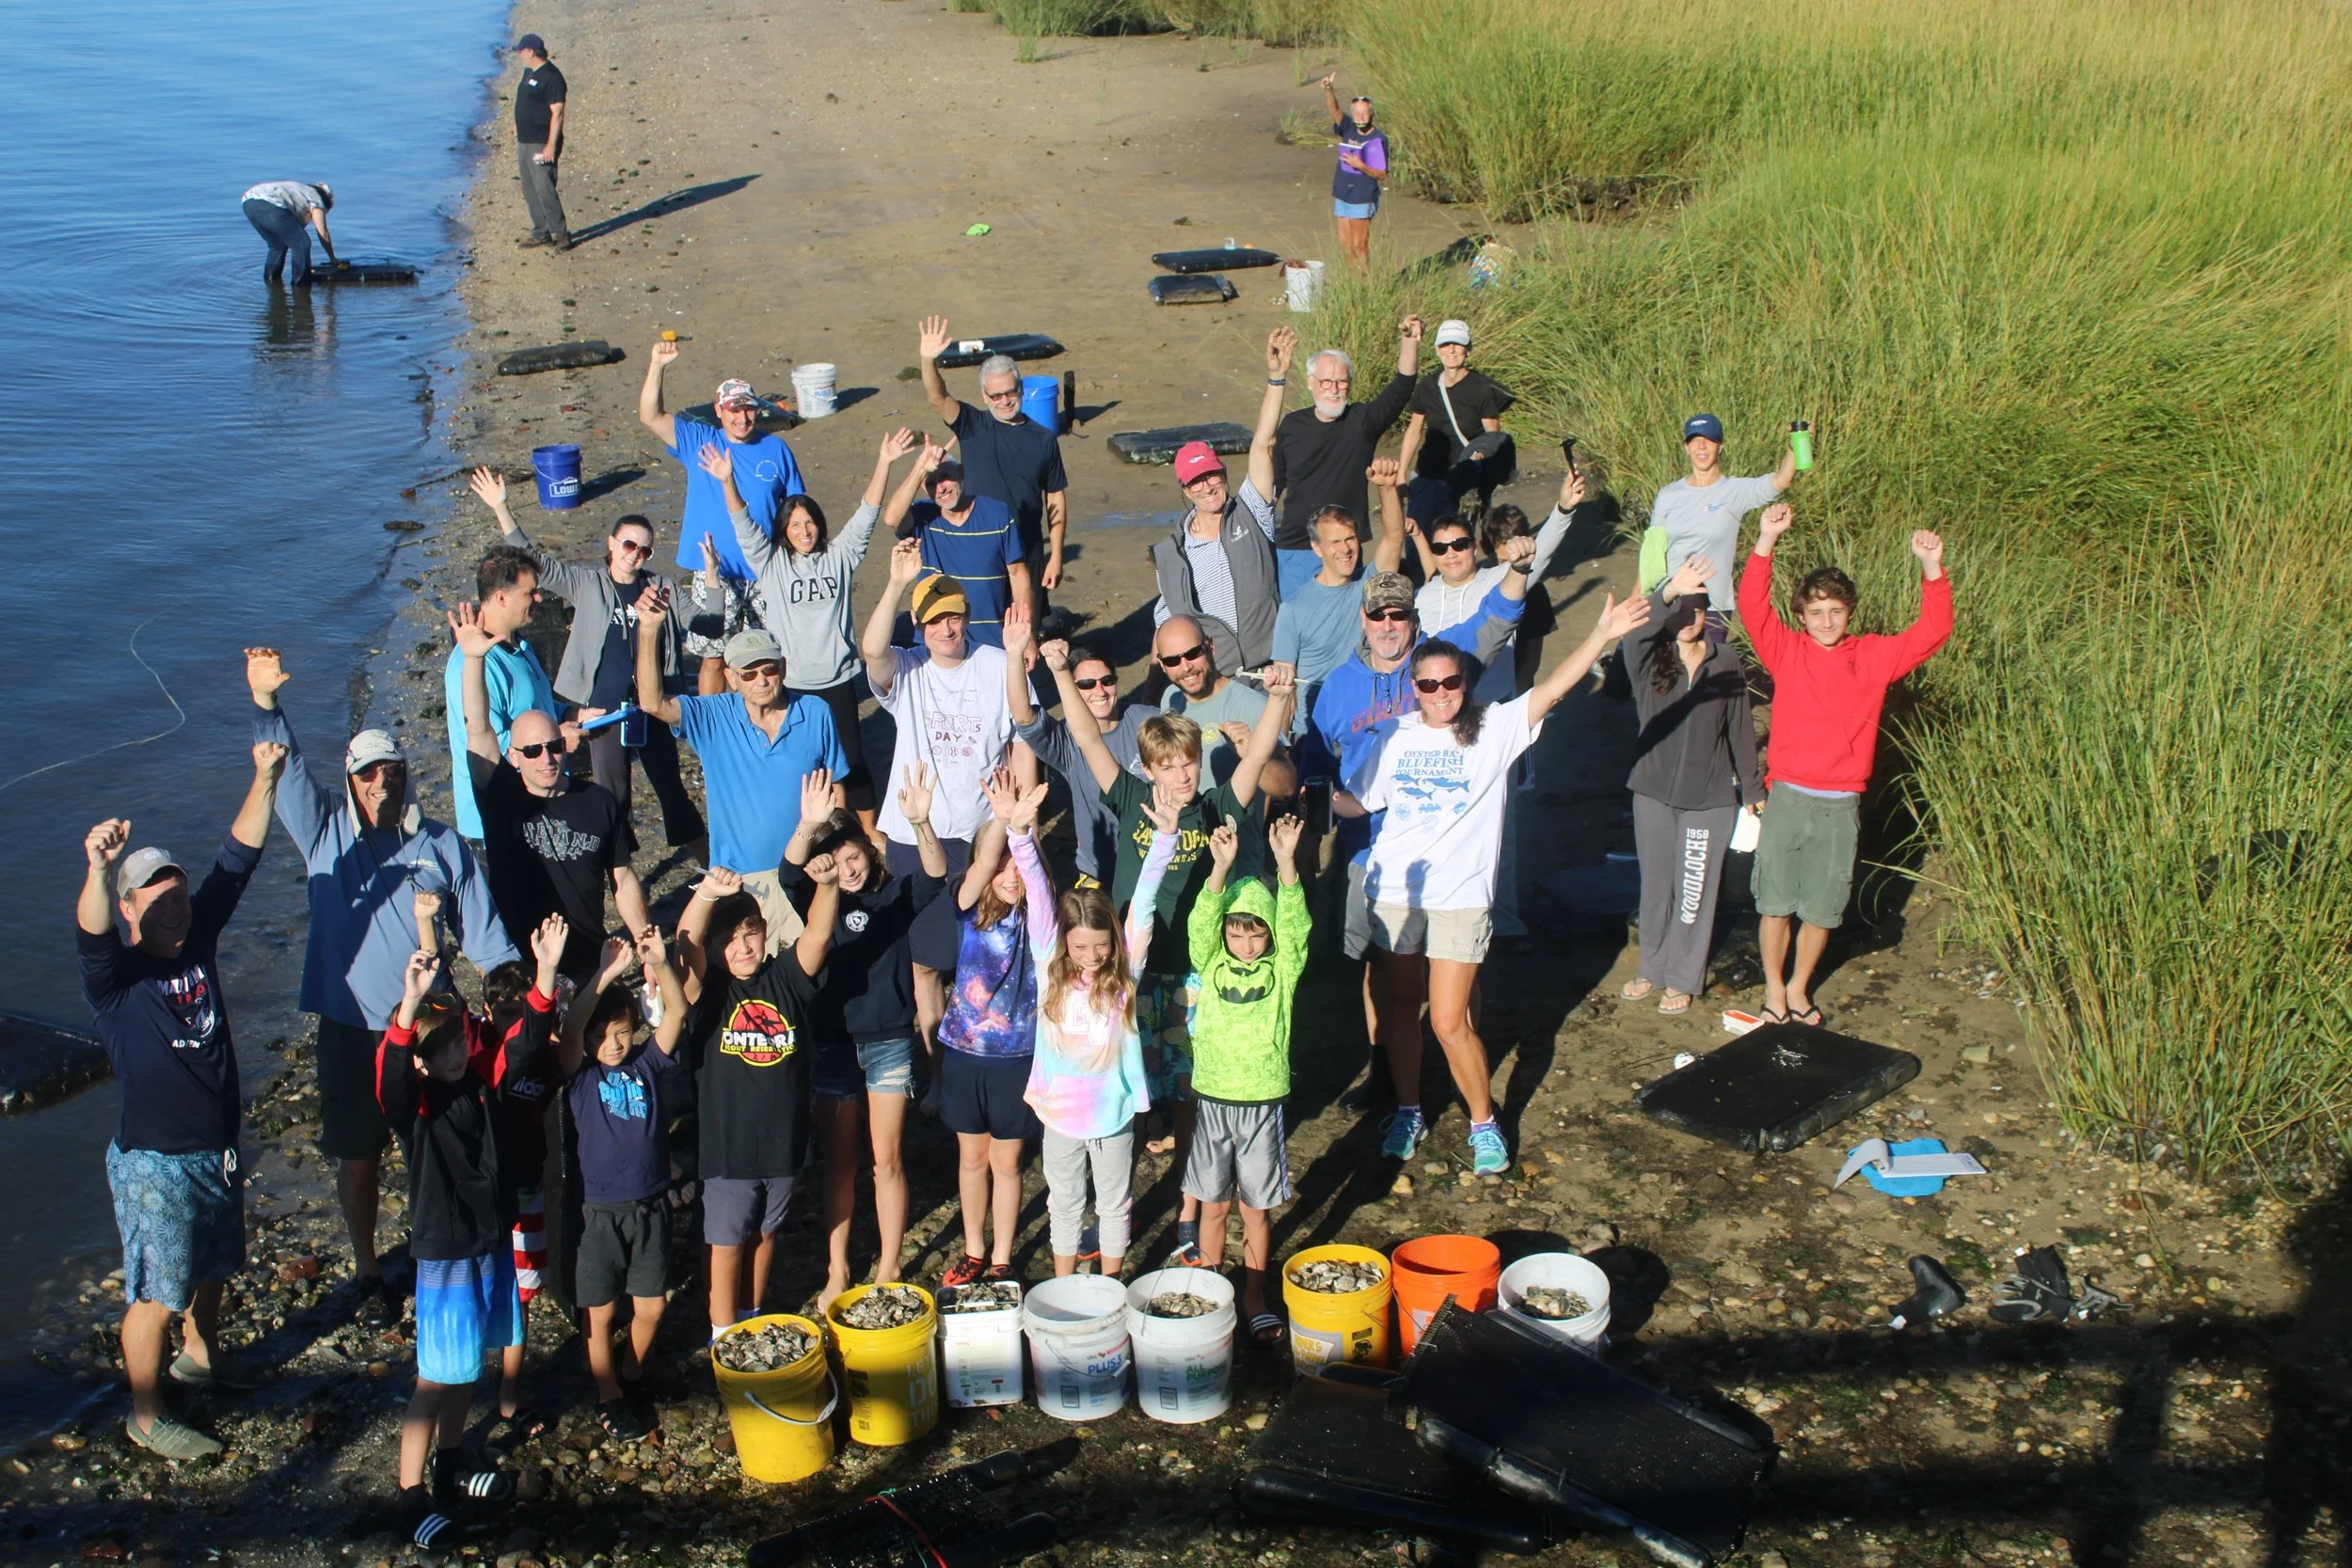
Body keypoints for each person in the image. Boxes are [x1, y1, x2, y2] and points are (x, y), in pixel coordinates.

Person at [247, 647, 517, 1325]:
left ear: (404, 776)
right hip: (352, 1026)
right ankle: (369, 1269)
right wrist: (266, 706)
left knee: (443, 1145)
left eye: (391, 772)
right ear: (351, 780)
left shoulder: (442, 844)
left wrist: (517, 989)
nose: (380, 783)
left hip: (430, 1025)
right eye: (368, 774)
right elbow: (282, 774)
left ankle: (452, 1256)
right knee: (359, 1154)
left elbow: (487, 940)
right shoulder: (324, 835)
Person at [1339, 594, 1650, 1174]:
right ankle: (1410, 1108)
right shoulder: (1395, 736)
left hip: (1460, 896)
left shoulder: (1495, 726)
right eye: (1428, 686)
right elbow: (1361, 801)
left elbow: (1554, 687)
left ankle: (1484, 1122)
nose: (1441, 695)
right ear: (1414, 689)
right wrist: (1290, 786)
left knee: (1449, 1020)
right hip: (1397, 890)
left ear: (1465, 681)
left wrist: (1603, 633)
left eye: (1450, 682)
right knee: (1403, 1007)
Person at [1057, 628, 1295, 1267]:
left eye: (1189, 762)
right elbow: (1084, 737)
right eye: (1170, 765)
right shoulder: (1131, 798)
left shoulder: (1218, 806)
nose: (1183, 774)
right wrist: (1059, 672)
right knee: (1128, 1097)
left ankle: (1189, 1214)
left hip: (1198, 976)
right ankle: (1116, 1209)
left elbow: (1257, 757)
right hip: (1133, 974)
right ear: (1150, 768)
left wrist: (1277, 697)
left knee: (1192, 1096)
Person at [77, 744, 283, 1460]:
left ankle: (202, 1356)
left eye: (177, 893)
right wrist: (102, 869)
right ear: (131, 909)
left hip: (216, 1148)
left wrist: (263, 775)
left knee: (217, 1264)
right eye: (154, 898)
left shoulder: (196, 936)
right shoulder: (117, 980)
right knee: (156, 1293)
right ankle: (145, 1410)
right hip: (155, 1163)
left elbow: (239, 855)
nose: (172, 907)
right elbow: (90, 929)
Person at [375, 916, 564, 1548]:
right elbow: (390, 1079)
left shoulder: (480, 1083)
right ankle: (409, 1497)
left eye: (459, 1042)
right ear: (423, 1063)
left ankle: (451, 1467)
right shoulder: (419, 1110)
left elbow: (526, 1040)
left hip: (488, 1244)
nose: (457, 1053)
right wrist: (407, 1008)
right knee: (436, 1379)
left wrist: (544, 975)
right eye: (443, 1049)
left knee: (469, 1368)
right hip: (447, 1256)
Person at [1740, 505, 1950, 1026]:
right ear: (1802, 616)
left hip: (1840, 804)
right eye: (1815, 612)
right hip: (1788, 795)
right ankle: (1771, 989)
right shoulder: (1787, 651)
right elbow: (1752, 606)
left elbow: (1933, 631)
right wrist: (1766, 539)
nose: (1826, 621)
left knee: (1821, 910)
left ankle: (1799, 988)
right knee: (1775, 904)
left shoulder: (1873, 656)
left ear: (1849, 611)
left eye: (1835, 610)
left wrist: (1932, 567)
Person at [778, 768, 947, 1309]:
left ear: (871, 852)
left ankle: (891, 1263)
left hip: (891, 1042)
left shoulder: (896, 896)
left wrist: (921, 823)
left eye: (855, 858)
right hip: (832, 1042)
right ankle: (836, 1269)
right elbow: (789, 870)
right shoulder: (819, 891)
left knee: (888, 1158)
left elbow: (936, 874)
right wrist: (807, 829)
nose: (848, 870)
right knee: (840, 1161)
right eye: (838, 860)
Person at [859, 540, 1024, 1085]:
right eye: (935, 622)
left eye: (954, 618)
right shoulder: (906, 671)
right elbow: (871, 649)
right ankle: (935, 1073)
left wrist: (1020, 819)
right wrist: (896, 582)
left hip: (983, 834)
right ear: (920, 626)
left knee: (985, 957)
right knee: (925, 964)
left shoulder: (997, 664)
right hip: (915, 838)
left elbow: (1024, 736)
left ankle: (990, 1057)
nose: (948, 630)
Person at [468, 468, 704, 847]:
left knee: (673, 792)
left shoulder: (662, 588)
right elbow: (535, 562)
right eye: (629, 545)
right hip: (603, 711)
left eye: (644, 550)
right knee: (613, 797)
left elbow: (706, 623)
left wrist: (712, 578)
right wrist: (501, 507)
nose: (636, 555)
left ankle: (712, 869)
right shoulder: (587, 583)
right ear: (612, 544)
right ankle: (619, 872)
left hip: (653, 707)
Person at [670, 862, 840, 1336]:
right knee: (725, 1243)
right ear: (714, 947)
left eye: (750, 935)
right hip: (728, 1151)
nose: (741, 948)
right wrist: (705, 894)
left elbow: (820, 936)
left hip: (783, 1146)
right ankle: (722, 1333)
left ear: (765, 934)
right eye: (728, 940)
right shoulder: (709, 992)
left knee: (766, 1233)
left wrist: (826, 885)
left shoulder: (785, 978)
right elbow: (683, 950)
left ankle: (750, 1314)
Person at [1014, 790, 1176, 1283]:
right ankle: (1064, 1285)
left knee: (1114, 1204)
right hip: (1059, 1113)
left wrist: (1166, 839)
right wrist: (1020, 835)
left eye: (1101, 946)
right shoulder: (1050, 970)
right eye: (1080, 945)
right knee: (1063, 1202)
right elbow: (1040, 898)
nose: (1091, 955)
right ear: (1063, 942)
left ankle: (1109, 1284)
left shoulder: (1125, 977)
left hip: (1114, 1109)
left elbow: (1143, 904)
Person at [715, 428, 909, 825]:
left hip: (837, 681)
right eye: (795, 525)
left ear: (820, 525)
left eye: (810, 523)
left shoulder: (840, 556)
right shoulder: (771, 565)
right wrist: (727, 480)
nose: (804, 531)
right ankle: (816, 829)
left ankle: (869, 832)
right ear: (784, 530)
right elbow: (743, 525)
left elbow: (867, 513)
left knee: (850, 761)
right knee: (807, 765)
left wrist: (885, 461)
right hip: (794, 683)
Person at [633, 590, 846, 946]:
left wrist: (840, 854)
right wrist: (649, 630)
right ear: (731, 679)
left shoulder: (817, 711)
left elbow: (836, 788)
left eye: (769, 669)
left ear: (784, 668)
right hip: (739, 883)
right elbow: (652, 702)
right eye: (748, 674)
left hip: (808, 871)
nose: (761, 680)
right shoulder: (712, 715)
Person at [451, 603, 650, 981]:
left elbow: (623, 880)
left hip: (586, 962)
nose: (546, 759)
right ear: (513, 755)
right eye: (532, 751)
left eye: (554, 747)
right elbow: (478, 728)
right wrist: (473, 660)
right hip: (519, 969)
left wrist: (647, 948)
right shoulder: (500, 798)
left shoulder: (598, 801)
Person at [1621, 554, 1763, 1015]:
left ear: (1708, 614)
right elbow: (1635, 631)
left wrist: (1754, 790)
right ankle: (1652, 969)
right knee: (1656, 889)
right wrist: (1665, 591)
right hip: (1654, 795)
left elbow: (1740, 728)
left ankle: (1683, 978)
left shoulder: (1726, 661)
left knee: (1695, 894)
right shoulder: (1648, 658)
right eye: (1678, 610)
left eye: (1695, 609)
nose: (1687, 619)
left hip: (1710, 801)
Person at [1186, 816, 1310, 1344]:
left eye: (1255, 931)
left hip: (1261, 1100)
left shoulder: (1284, 967)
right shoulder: (1208, 955)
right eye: (1236, 931)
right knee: (1212, 1205)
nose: (1245, 942)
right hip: (1212, 1095)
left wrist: (1286, 863)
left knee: (1254, 1208)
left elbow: (1295, 923)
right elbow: (1201, 919)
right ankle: (1211, 1295)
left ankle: (1256, 1296)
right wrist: (1219, 869)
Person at [560, 930, 686, 1439]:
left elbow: (676, 1014)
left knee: (652, 1305)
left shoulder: (647, 1065)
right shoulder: (582, 1077)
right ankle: (608, 1389)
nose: (613, 1044)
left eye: (622, 1032)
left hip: (652, 1208)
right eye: (603, 1035)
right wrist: (607, 974)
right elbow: (569, 1032)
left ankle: (631, 1371)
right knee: (600, 1309)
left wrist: (661, 964)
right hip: (600, 1214)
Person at [936, 772, 1048, 1288]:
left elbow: (1033, 874)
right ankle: (974, 1249)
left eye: (1017, 860)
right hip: (963, 1053)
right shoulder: (966, 909)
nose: (1009, 871)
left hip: (1017, 1056)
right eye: (1000, 858)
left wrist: (1021, 834)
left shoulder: (1040, 914)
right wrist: (1002, 819)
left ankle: (1002, 1256)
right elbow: (984, 861)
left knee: (1008, 1162)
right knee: (970, 1159)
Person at [1151, 327, 1294, 671]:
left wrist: (1276, 378)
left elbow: (1262, 442)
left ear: (1224, 475)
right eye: (1196, 482)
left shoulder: (1253, 510)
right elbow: (1166, 624)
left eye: (1212, 475)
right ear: (1185, 490)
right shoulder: (1170, 552)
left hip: (1268, 668)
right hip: (1215, 677)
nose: (1207, 487)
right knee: (1211, 729)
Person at [916, 317, 1068, 614]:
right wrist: (927, 360)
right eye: (995, 395)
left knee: (1026, 634)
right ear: (984, 396)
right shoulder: (972, 425)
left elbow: (1055, 497)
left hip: (1028, 552)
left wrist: (1057, 555)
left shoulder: (1044, 439)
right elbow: (938, 397)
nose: (1004, 401)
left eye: (1010, 392)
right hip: (978, 551)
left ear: (1020, 388)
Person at [1271, 317, 1422, 596]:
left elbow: (1401, 389)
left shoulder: (1362, 420)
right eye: (1326, 381)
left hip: (1345, 547)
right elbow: (1273, 486)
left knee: (1348, 621)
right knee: (1300, 621)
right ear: (1311, 383)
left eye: (1341, 382)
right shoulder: (1292, 425)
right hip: (1296, 548)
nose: (1333, 388)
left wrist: (1410, 342)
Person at [639, 337, 805, 578]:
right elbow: (650, 416)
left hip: (764, 569)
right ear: (718, 411)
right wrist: (657, 366)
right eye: (734, 410)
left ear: (758, 409)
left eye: (748, 409)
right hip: (712, 569)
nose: (743, 418)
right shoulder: (699, 440)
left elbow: (797, 508)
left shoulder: (776, 448)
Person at [1272, 460, 1407, 719]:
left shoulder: (1370, 585)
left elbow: (1394, 538)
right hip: (1314, 729)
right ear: (1316, 547)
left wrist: (1387, 488)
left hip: (1368, 718)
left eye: (1350, 539)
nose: (1344, 549)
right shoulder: (1292, 609)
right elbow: (1284, 687)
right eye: (1334, 542)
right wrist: (1284, 744)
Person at [441, 544, 559, 842]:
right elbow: (491, 740)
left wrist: (571, 713)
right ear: (501, 597)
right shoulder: (471, 666)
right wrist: (557, 739)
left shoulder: (519, 644)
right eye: (529, 592)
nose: (538, 598)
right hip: (495, 820)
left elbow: (533, 706)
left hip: (535, 803)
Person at [1010, 638, 1151, 887]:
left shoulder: (1146, 721)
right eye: (1087, 684)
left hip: (1154, 864)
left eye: (1107, 681)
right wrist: (1014, 654)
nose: (1100, 691)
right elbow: (1024, 718)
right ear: (1070, 689)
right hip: (1099, 871)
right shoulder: (1066, 740)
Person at [1648, 413, 1800, 617]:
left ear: (1721, 446)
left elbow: (1782, 480)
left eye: (1709, 439)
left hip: (1714, 608)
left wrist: (1794, 445)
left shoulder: (1735, 492)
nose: (1701, 446)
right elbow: (1651, 554)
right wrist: (1641, 601)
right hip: (1670, 602)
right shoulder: (1668, 495)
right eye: (1694, 439)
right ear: (1686, 447)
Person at [884, 436, 1028, 649]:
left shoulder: (997, 514)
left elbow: (1017, 574)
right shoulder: (923, 518)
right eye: (931, 483)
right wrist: (920, 470)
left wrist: (1028, 633)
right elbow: (892, 518)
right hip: (936, 643)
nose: (940, 488)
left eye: (945, 477)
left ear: (961, 473)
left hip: (991, 641)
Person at [1395, 320, 1515, 524]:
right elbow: (1414, 431)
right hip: (1428, 473)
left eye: (1458, 344)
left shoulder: (1482, 387)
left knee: (1458, 542)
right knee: (1417, 536)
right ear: (1437, 350)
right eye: (1445, 344)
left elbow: (1493, 437)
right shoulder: (1427, 386)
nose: (1451, 350)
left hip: (1465, 478)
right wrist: (1401, 474)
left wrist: (1482, 459)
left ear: (1468, 349)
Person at [1152, 615, 1269, 780]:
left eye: (1193, 653)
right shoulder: (1170, 697)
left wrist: (1253, 756)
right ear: (1162, 665)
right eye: (1172, 661)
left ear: (1211, 647)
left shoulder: (1252, 706)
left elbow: (1285, 787)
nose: (1186, 667)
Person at [1318, 75, 1388, 267]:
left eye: (1364, 114)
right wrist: (1328, 89)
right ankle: (1352, 285)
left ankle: (1364, 283)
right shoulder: (1349, 128)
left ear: (1371, 114)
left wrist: (1362, 166)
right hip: (1342, 193)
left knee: (1360, 245)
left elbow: (1382, 174)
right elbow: (1335, 111)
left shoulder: (1378, 139)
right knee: (1345, 246)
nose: (1360, 117)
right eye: (1357, 113)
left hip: (1362, 196)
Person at [511, 35, 571, 250]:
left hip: (541, 141)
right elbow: (524, 100)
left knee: (544, 187)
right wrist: (517, 123)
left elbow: (558, 113)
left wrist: (550, 146)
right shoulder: (529, 72)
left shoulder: (552, 77)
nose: (519, 55)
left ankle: (561, 233)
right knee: (529, 188)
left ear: (531, 51)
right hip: (525, 140)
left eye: (521, 51)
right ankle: (541, 231)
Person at [240, 181, 334, 285]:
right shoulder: (316, 199)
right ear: (327, 198)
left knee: (278, 245)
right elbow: (323, 233)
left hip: (248, 203)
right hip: (270, 203)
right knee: (302, 243)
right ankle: (301, 286)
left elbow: (291, 229)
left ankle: (271, 282)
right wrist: (332, 258)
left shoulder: (299, 192)